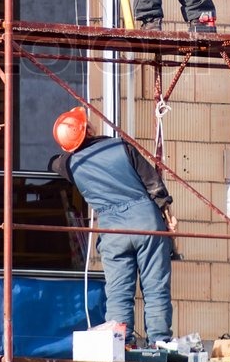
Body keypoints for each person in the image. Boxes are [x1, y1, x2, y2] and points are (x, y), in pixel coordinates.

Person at [49, 106, 175, 347]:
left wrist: (70, 152)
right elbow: (154, 184)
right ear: (88, 129)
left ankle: (121, 342)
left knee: (118, 293)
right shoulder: (120, 146)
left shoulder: (70, 165)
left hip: (113, 232)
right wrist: (168, 213)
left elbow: (53, 162)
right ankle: (160, 342)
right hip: (147, 223)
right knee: (155, 288)